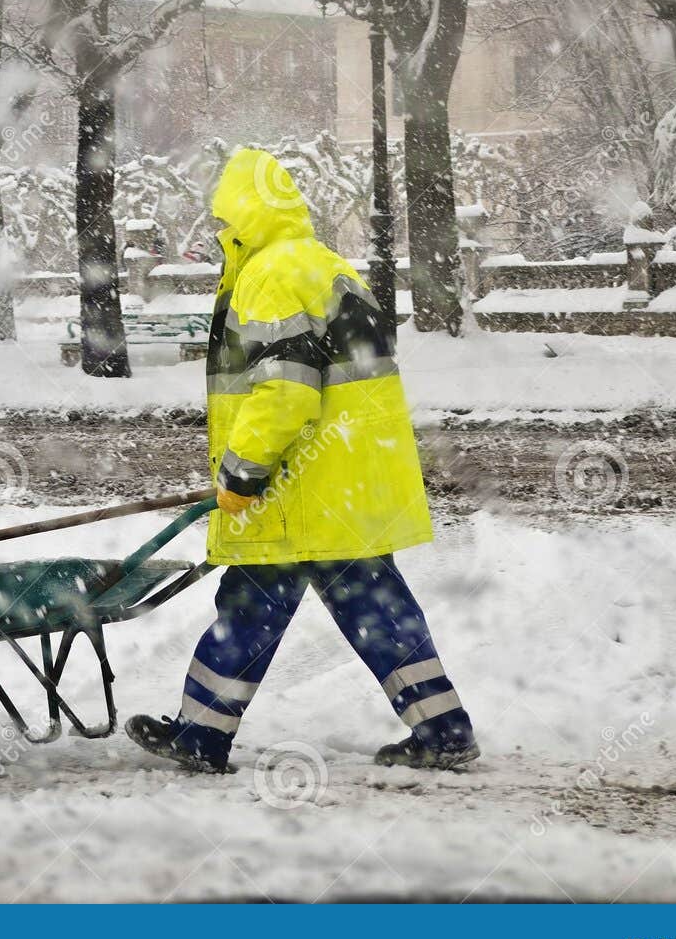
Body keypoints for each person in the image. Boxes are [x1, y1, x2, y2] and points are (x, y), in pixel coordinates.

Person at [126, 147, 479, 774]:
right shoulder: (323, 263)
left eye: (224, 222)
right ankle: (443, 728)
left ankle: (201, 736)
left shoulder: (271, 273)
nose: (219, 235)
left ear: (245, 217)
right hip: (350, 482)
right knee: (372, 605)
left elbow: (286, 391)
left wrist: (242, 470)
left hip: (301, 486)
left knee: (253, 602)